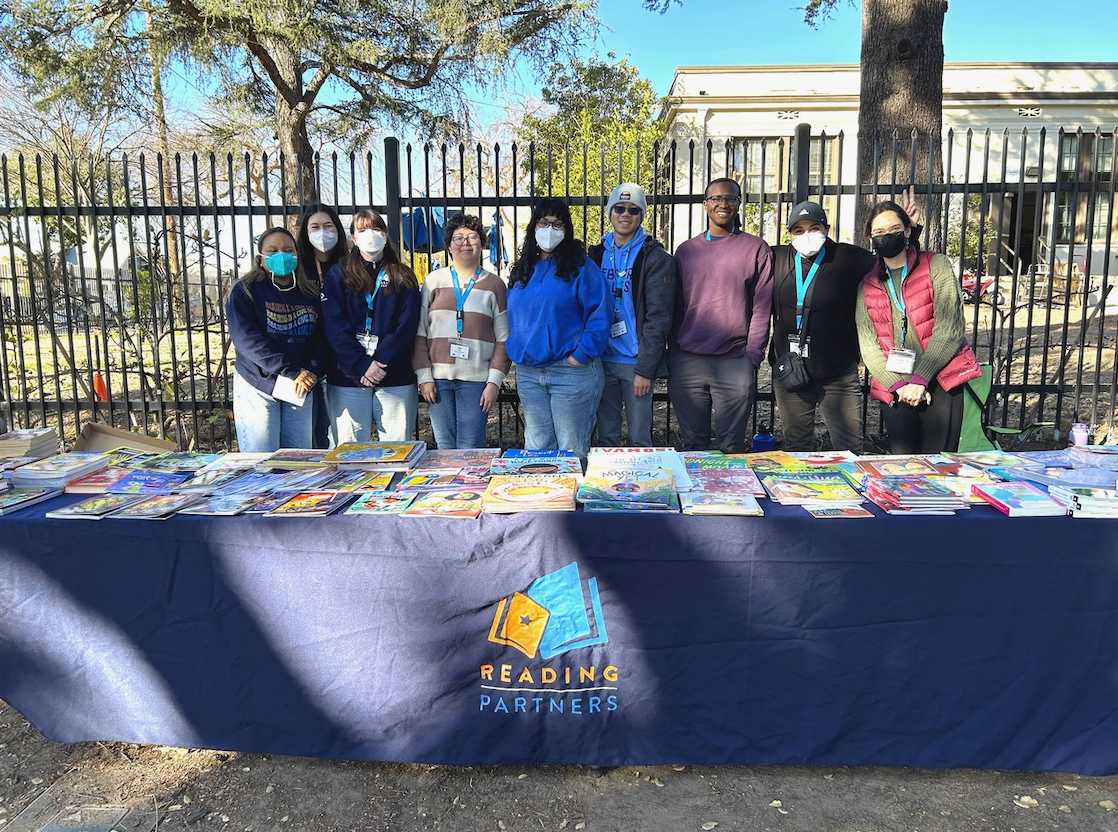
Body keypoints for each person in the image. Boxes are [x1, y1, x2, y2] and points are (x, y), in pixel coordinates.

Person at [856, 200, 981, 454]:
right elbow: (868, 347)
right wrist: (901, 386)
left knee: (938, 464)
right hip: (896, 388)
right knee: (903, 466)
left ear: (908, 230)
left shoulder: (936, 266)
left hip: (940, 380)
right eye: (878, 232)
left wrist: (921, 379)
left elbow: (950, 328)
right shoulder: (867, 285)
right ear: (870, 237)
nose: (886, 236)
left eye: (894, 229)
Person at [668, 177, 774, 453]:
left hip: (734, 361)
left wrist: (752, 356)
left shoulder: (756, 249)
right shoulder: (686, 251)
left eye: (730, 198)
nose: (722, 204)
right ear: (705, 205)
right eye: (716, 198)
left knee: (732, 447)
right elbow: (676, 306)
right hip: (687, 360)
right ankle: (695, 497)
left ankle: (730, 496)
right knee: (693, 446)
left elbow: (762, 307)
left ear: (739, 204)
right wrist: (674, 354)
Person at [506, 198, 610, 458]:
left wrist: (581, 355)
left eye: (557, 224)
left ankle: (573, 499)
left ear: (567, 230)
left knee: (571, 450)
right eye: (544, 222)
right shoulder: (523, 270)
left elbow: (600, 314)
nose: (549, 230)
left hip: (570, 372)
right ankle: (545, 500)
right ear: (534, 226)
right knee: (537, 448)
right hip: (529, 373)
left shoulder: (581, 267)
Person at [321, 208, 421, 444]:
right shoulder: (337, 274)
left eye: (376, 228)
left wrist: (380, 362)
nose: (370, 234)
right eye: (363, 230)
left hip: (395, 375)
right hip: (349, 377)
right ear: (354, 238)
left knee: (397, 450)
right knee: (349, 451)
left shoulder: (404, 276)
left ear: (385, 235)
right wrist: (362, 364)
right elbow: (335, 326)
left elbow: (406, 326)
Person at [587, 183, 675, 447]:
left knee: (639, 437)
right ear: (610, 212)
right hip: (601, 359)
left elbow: (659, 318)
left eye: (633, 210)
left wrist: (646, 370)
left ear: (641, 215)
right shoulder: (596, 254)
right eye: (619, 208)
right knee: (606, 437)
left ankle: (643, 488)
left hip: (634, 362)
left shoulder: (655, 258)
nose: (625, 214)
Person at [413, 213, 511, 449]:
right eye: (458, 238)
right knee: (445, 447)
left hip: (476, 380)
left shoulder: (495, 285)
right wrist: (424, 377)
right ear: (448, 246)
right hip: (439, 379)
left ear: (482, 243)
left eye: (472, 237)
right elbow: (419, 333)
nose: (465, 243)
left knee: (471, 448)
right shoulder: (433, 281)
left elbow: (504, 338)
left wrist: (494, 382)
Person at [226, 226, 324, 452]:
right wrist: (292, 371)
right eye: (273, 250)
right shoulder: (245, 291)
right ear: (261, 259)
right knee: (261, 462)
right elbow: (247, 340)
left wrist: (310, 371)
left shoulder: (309, 293)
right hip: (258, 385)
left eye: (289, 249)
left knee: (298, 460)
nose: (282, 255)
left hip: (301, 387)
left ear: (297, 256)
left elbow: (321, 339)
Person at [295, 203, 348, 449]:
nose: (322, 232)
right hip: (305, 366)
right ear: (305, 232)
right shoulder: (297, 269)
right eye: (314, 227)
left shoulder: (350, 266)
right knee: (312, 435)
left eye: (328, 226)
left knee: (340, 435)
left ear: (337, 230)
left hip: (339, 363)